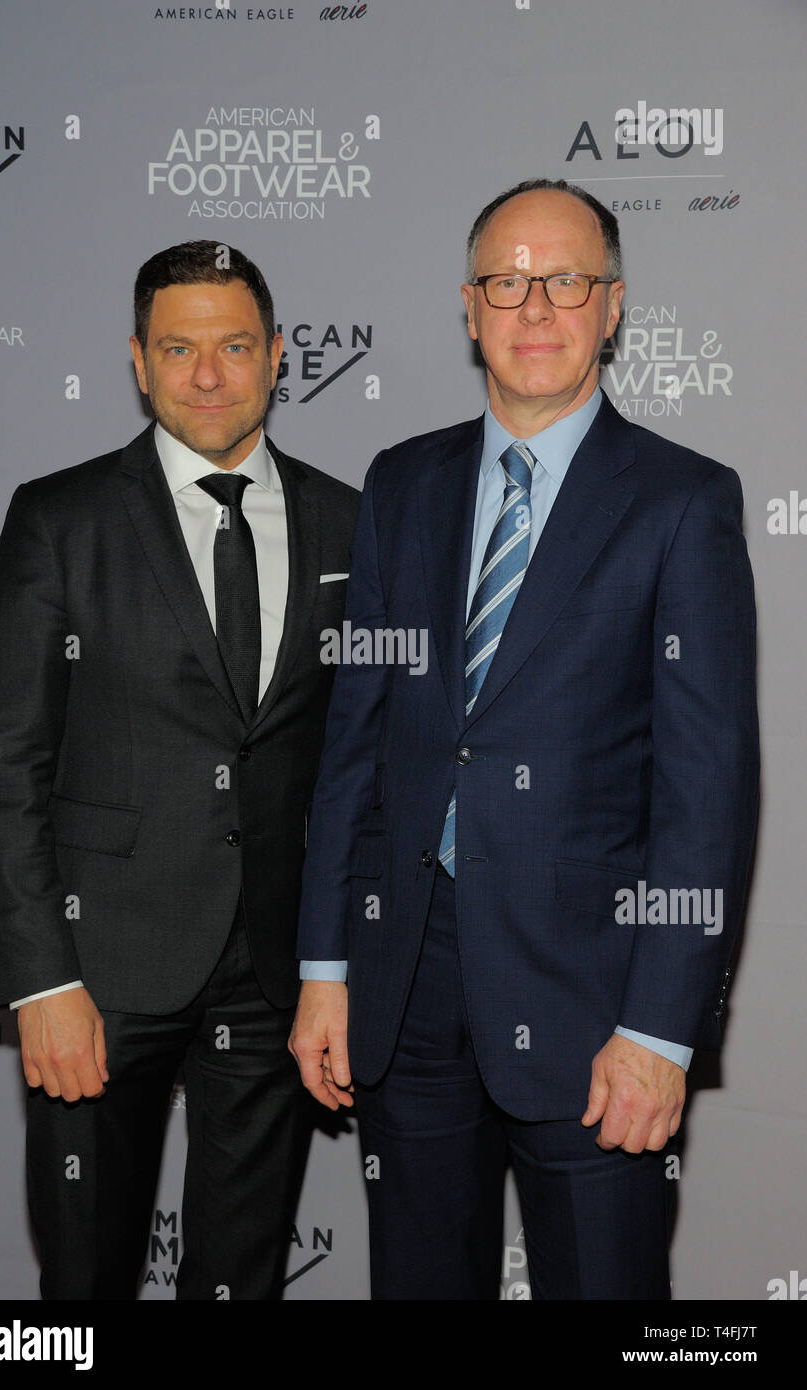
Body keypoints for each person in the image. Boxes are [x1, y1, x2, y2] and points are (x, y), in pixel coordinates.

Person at [289, 179, 759, 1300]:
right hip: (407, 989)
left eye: (566, 281)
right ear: (467, 306)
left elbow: (707, 791)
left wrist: (661, 1028)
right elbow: (355, 739)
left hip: (595, 1000)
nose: (534, 305)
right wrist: (323, 967)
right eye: (506, 280)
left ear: (612, 307)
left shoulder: (683, 502)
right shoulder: (402, 484)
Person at [0, 240, 358, 1300]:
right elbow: (4, 765)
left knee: (241, 1275)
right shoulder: (61, 519)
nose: (207, 374)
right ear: (138, 361)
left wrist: (336, 965)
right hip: (99, 971)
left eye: (234, 345)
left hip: (274, 974)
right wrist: (40, 980)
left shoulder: (349, 522)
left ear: (278, 357)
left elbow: (357, 766)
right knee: (84, 1277)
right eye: (177, 348)